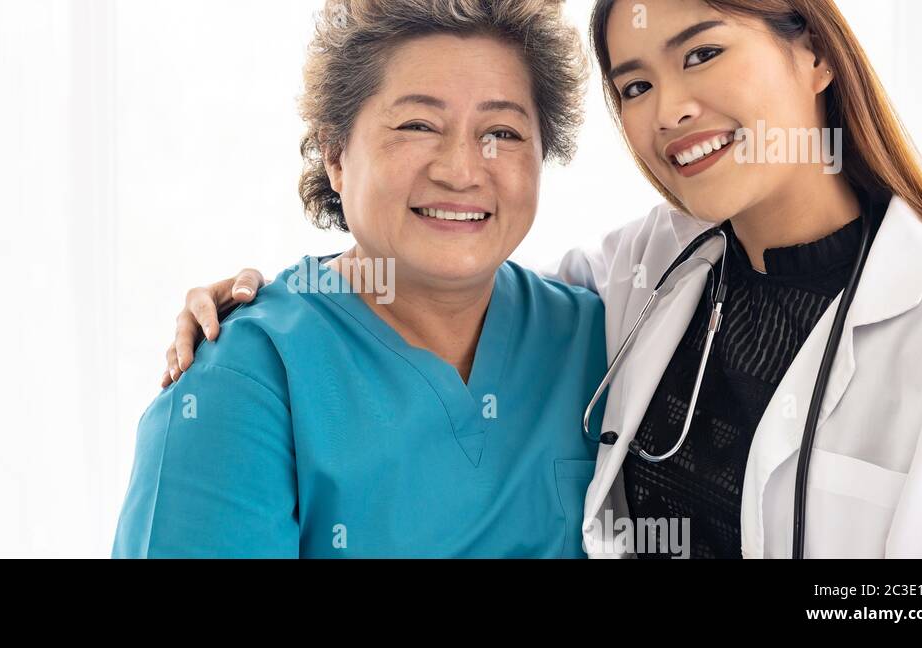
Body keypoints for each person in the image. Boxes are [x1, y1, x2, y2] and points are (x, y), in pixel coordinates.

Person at [165, 0, 922, 558]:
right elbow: (437, 281)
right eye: (635, 85)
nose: (669, 111)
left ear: (813, 49)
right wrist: (254, 308)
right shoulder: (639, 279)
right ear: (333, 153)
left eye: (702, 53)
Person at [114, 0, 606, 558]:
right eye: (417, 125)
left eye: (503, 132)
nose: (462, 171)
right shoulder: (241, 381)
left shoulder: (609, 343)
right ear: (335, 154)